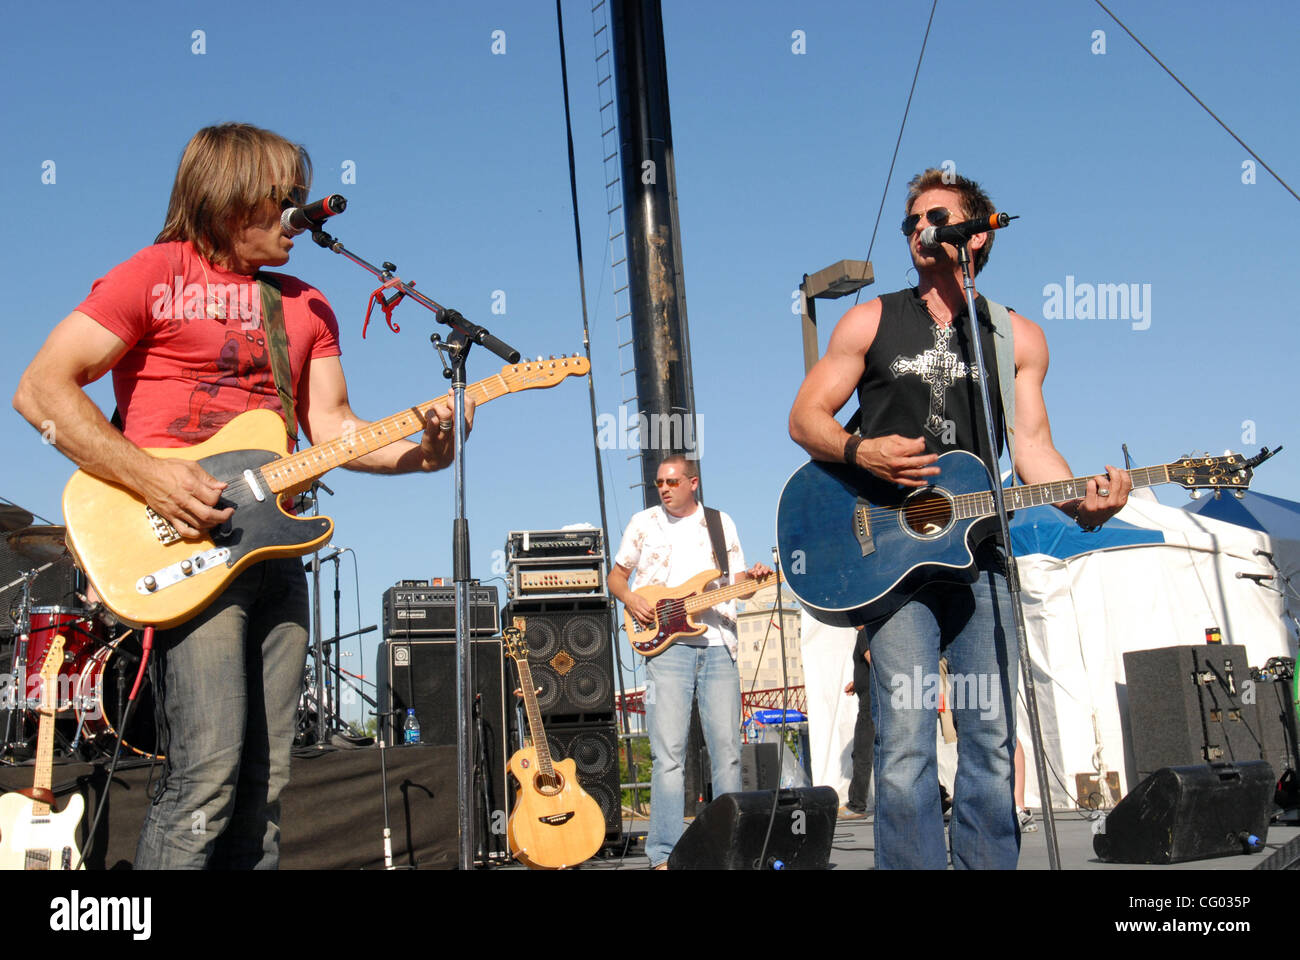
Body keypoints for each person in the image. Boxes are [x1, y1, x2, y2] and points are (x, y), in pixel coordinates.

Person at [12, 123, 472, 869]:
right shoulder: (151, 275)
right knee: (206, 780)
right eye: (284, 198)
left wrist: (427, 450)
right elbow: (40, 391)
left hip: (272, 547)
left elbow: (336, 429)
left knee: (265, 789)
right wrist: (152, 476)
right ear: (230, 202)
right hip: (180, 542)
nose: (299, 214)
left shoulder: (307, 306)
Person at [787, 168, 1131, 869]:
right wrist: (861, 448)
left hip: (981, 555)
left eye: (933, 218)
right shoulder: (871, 319)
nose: (918, 231)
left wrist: (1082, 502)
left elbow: (1033, 449)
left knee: (992, 735)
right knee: (908, 737)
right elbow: (803, 418)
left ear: (975, 231)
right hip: (890, 555)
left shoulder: (1017, 337)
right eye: (911, 222)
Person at [609, 454, 771, 868]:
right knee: (668, 755)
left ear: (693, 482)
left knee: (727, 752)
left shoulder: (720, 523)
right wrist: (632, 600)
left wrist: (752, 581)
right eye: (660, 482)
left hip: (719, 645)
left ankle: (730, 850)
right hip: (666, 648)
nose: (664, 488)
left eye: (672, 481)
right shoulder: (643, 523)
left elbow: (736, 586)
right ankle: (663, 854)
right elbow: (616, 577)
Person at [840, 630, 872, 820]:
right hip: (871, 698)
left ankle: (856, 804)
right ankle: (940, 796)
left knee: (862, 753)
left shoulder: (865, 633)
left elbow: (877, 663)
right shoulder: (870, 630)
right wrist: (858, 683)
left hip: (870, 705)